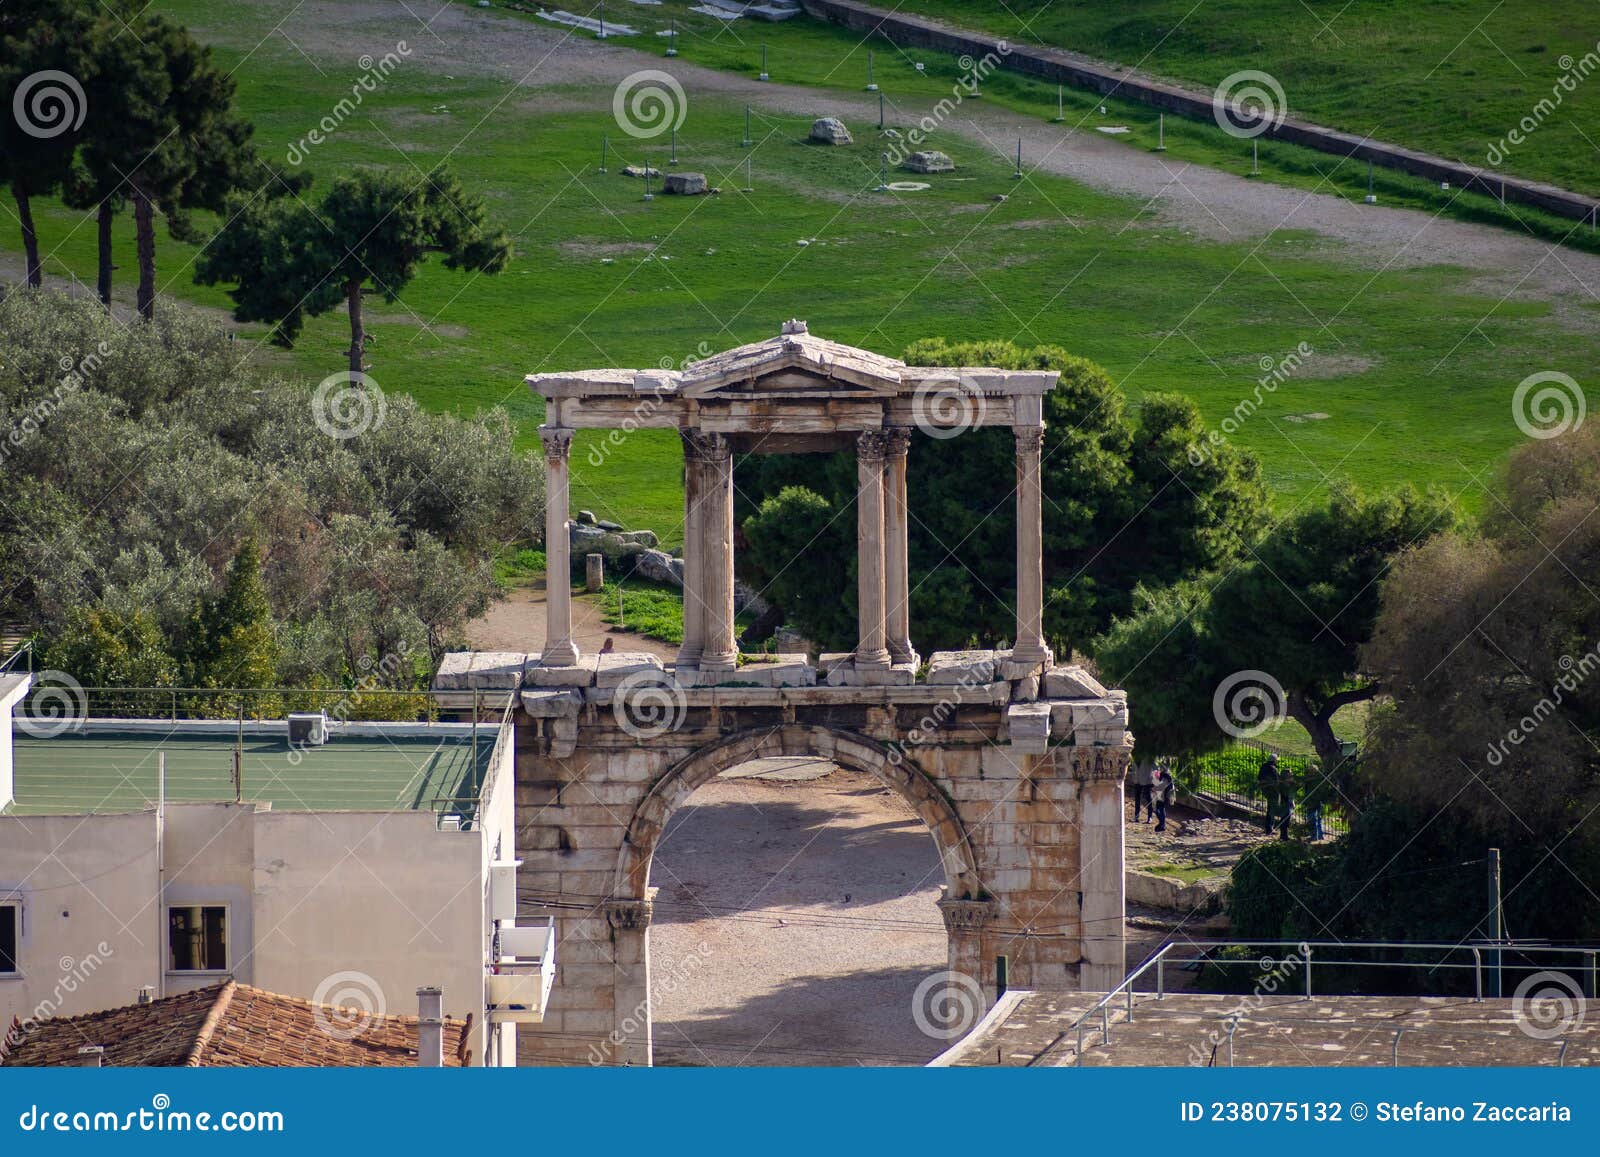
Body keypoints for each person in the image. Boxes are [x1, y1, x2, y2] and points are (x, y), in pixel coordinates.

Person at [1256, 754, 1281, 835]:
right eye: (1277, 760)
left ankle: (1268, 827)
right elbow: (1277, 781)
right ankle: (1269, 828)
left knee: (1270, 809)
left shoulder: (1263, 767)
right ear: (1274, 760)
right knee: (1272, 810)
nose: (1277, 761)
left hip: (1265, 791)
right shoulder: (1273, 768)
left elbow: (1259, 778)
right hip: (1273, 791)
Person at [1151, 763, 1177, 833]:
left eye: (1161, 767)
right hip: (1160, 795)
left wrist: (1154, 788)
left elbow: (1162, 786)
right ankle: (1162, 824)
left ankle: (1162, 824)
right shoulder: (1162, 775)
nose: (1160, 768)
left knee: (1159, 809)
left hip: (1164, 796)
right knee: (1159, 809)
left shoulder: (1166, 776)